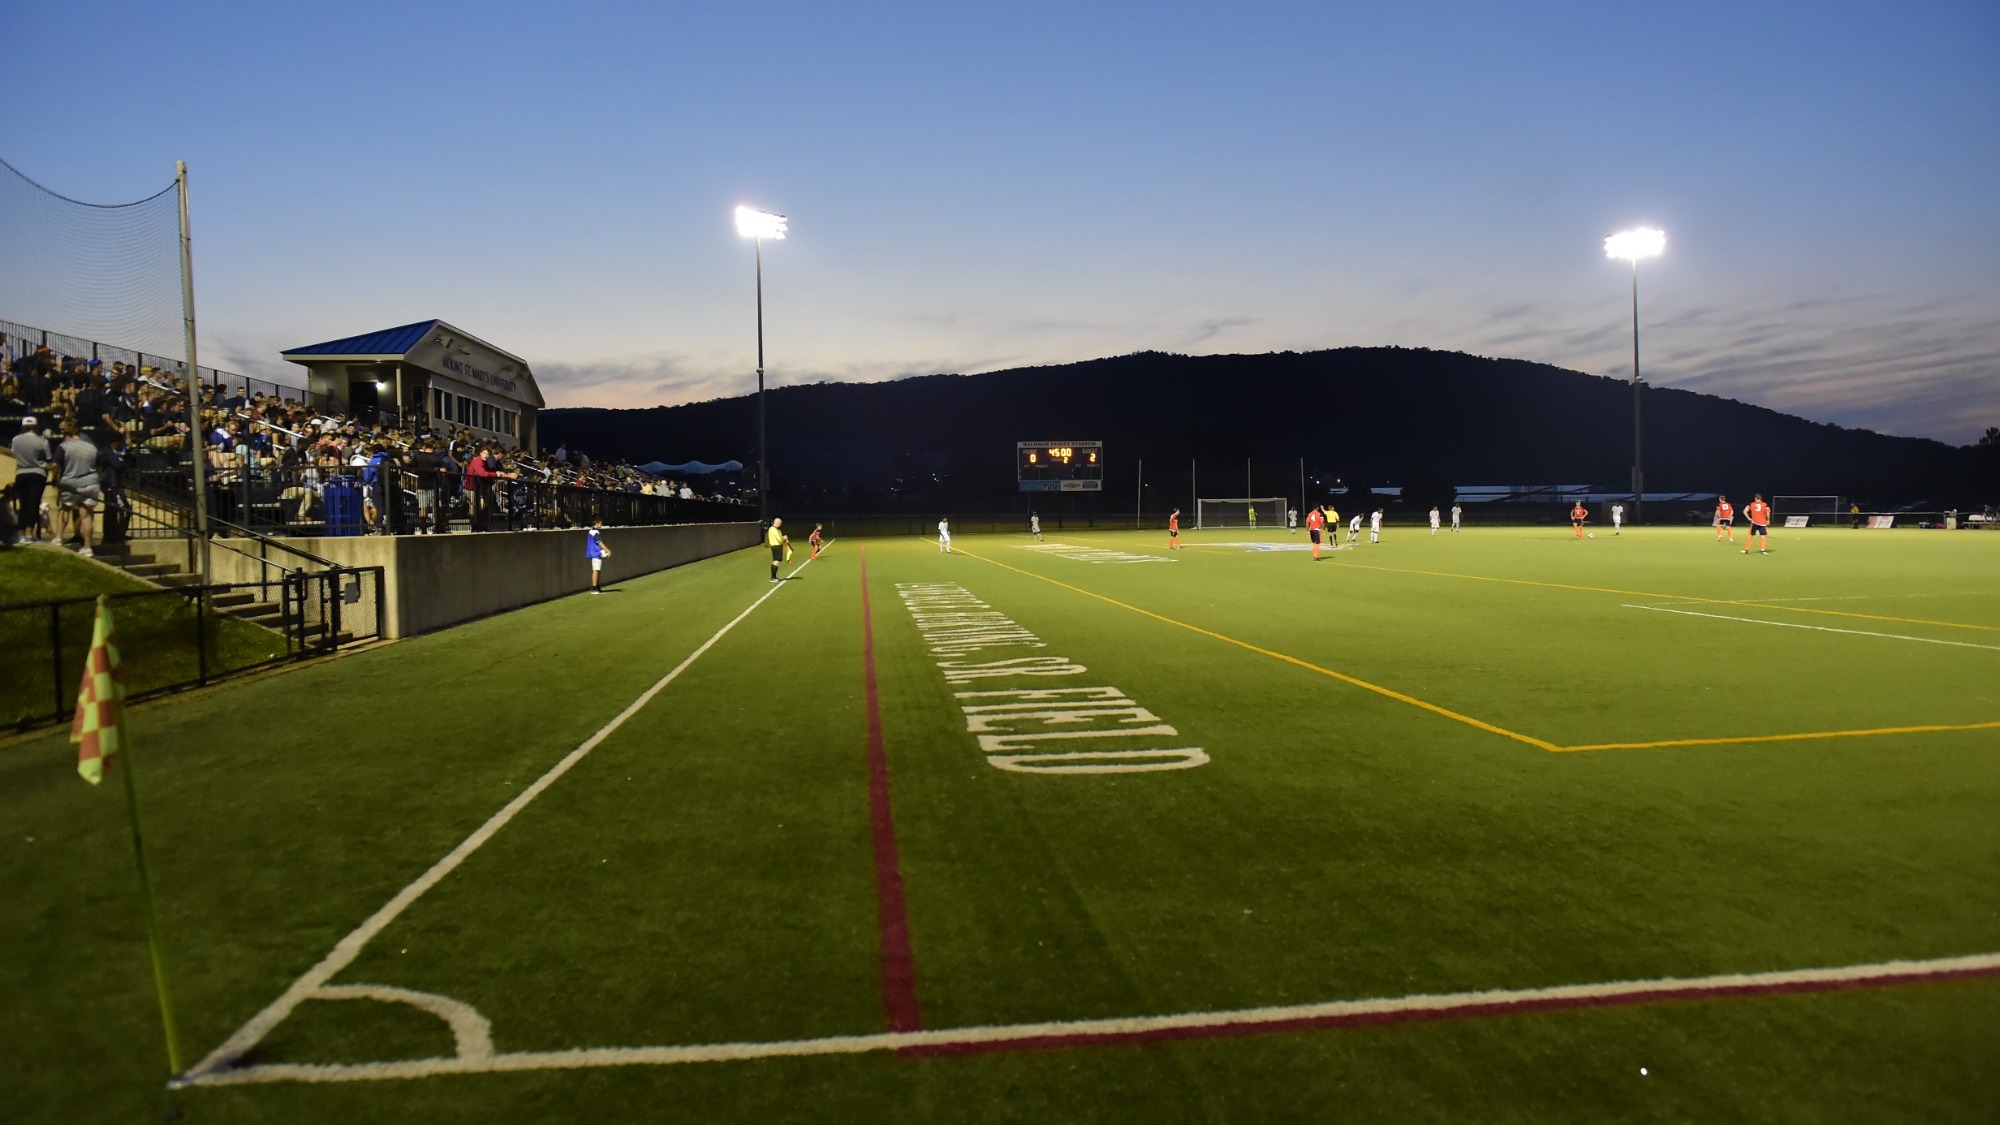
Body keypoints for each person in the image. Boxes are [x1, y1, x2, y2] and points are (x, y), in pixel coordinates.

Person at [55, 422, 100, 557]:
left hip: (70, 482)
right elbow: (98, 465)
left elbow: (56, 465)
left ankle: (58, 538)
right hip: (91, 482)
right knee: (86, 515)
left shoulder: (64, 446)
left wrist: (54, 478)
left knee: (64, 509)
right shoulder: (91, 447)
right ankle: (87, 547)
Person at [10, 417, 52, 542]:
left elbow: (14, 453)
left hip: (21, 473)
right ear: (35, 426)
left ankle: (21, 533)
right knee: (34, 503)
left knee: (23, 503)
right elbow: (48, 458)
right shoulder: (42, 441)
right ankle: (29, 532)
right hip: (38, 474)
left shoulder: (15, 440)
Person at [585, 519, 611, 592]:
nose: (601, 525)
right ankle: (594, 588)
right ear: (596, 523)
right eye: (600, 523)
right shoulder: (595, 532)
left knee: (597, 570)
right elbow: (600, 543)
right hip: (595, 554)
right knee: (596, 570)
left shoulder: (591, 531)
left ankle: (597, 587)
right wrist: (607, 550)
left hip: (595, 553)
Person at [767, 517, 788, 581]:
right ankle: (773, 577)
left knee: (775, 561)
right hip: (776, 546)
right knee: (776, 561)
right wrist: (784, 538)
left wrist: (784, 539)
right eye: (780, 523)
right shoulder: (774, 530)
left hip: (776, 546)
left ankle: (773, 577)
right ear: (777, 523)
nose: (780, 524)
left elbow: (780, 537)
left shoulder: (776, 530)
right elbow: (779, 540)